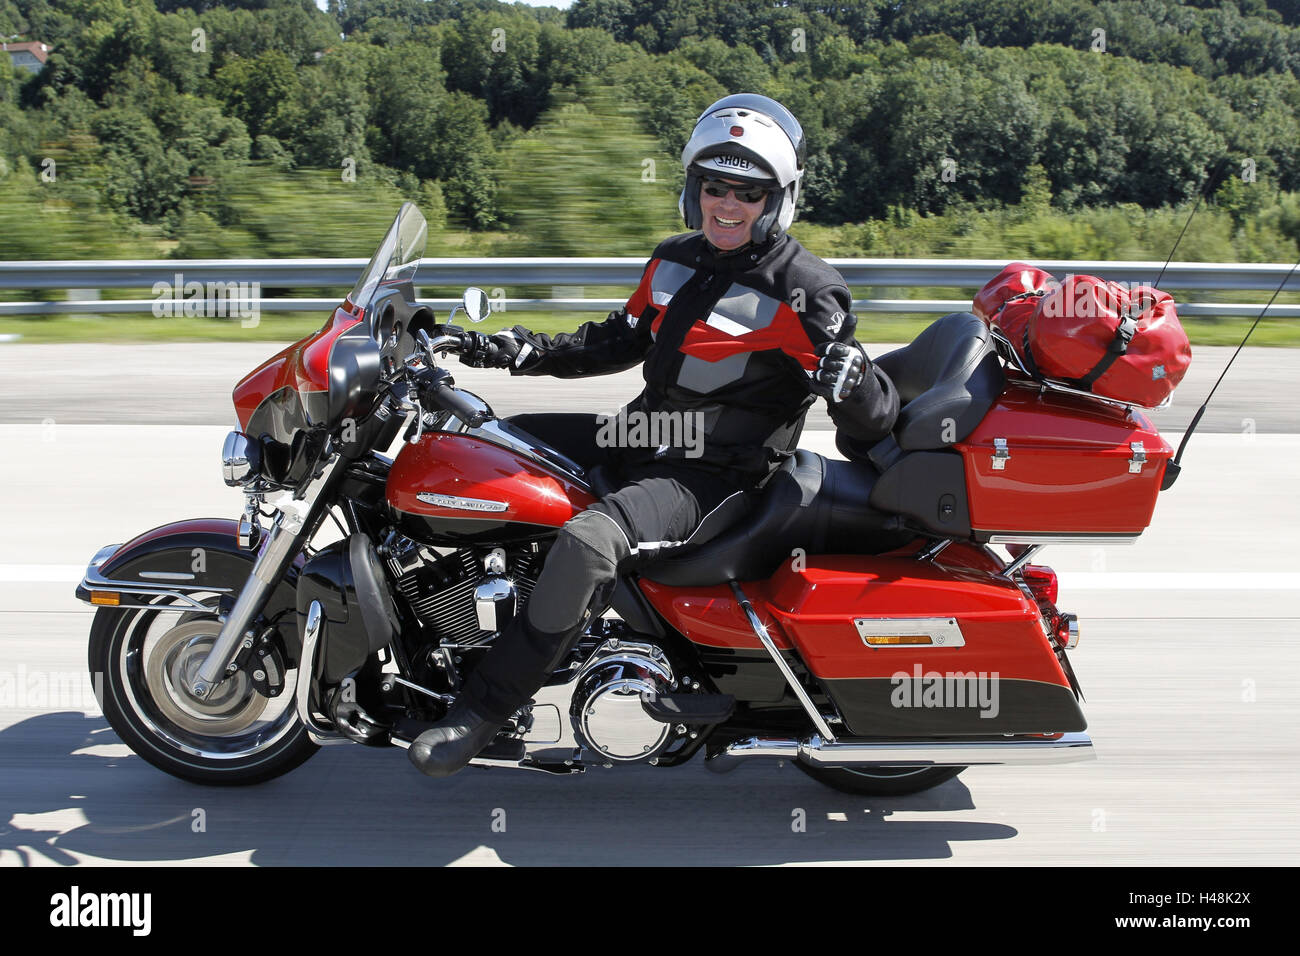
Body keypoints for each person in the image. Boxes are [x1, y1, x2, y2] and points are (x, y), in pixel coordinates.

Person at [408, 93, 899, 777]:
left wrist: (854, 377)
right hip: (644, 434)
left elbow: (871, 416)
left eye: (748, 193)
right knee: (492, 447)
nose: (726, 205)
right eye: (714, 187)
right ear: (692, 190)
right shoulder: (674, 260)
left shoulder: (805, 290)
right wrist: (515, 350)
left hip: (719, 473)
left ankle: (483, 709)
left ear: (778, 200)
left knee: (588, 540)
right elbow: (616, 339)